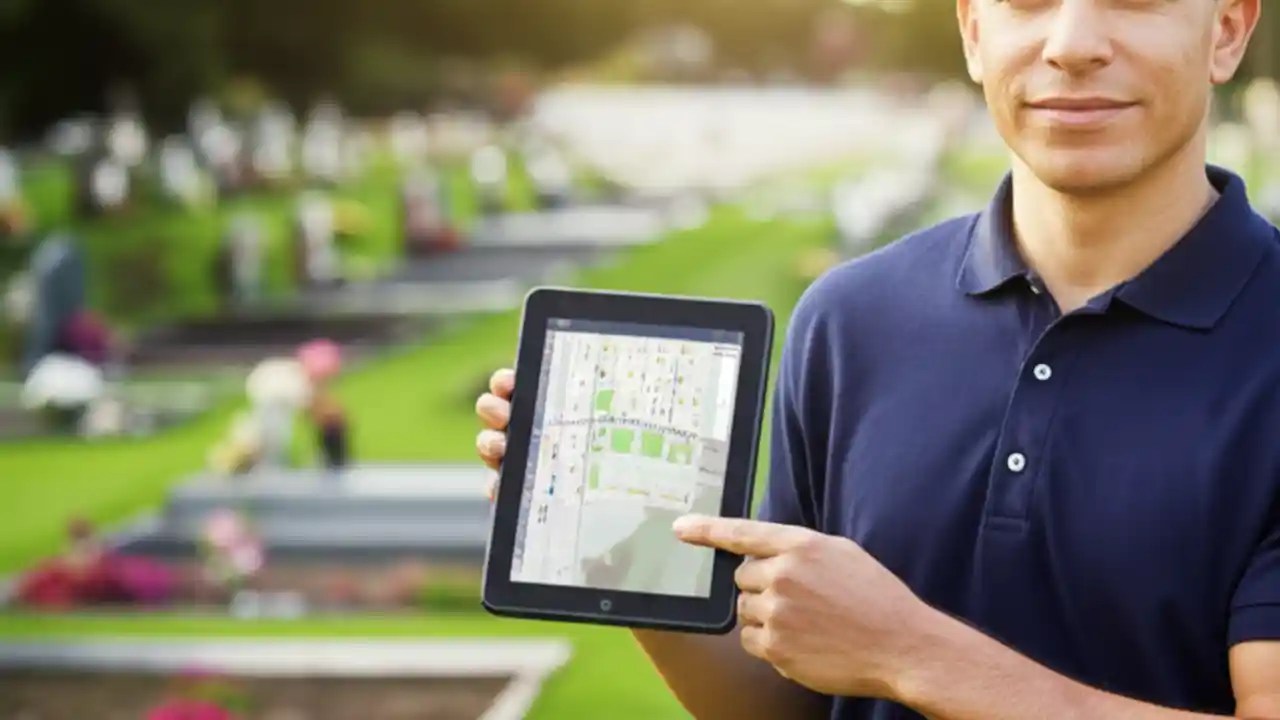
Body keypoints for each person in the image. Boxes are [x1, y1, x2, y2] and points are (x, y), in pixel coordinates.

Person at [476, 1, 1280, 717]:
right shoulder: (849, 317)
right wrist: (638, 548)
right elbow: (790, 702)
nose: (1071, 41)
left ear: (1228, 30)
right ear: (972, 31)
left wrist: (912, 654)